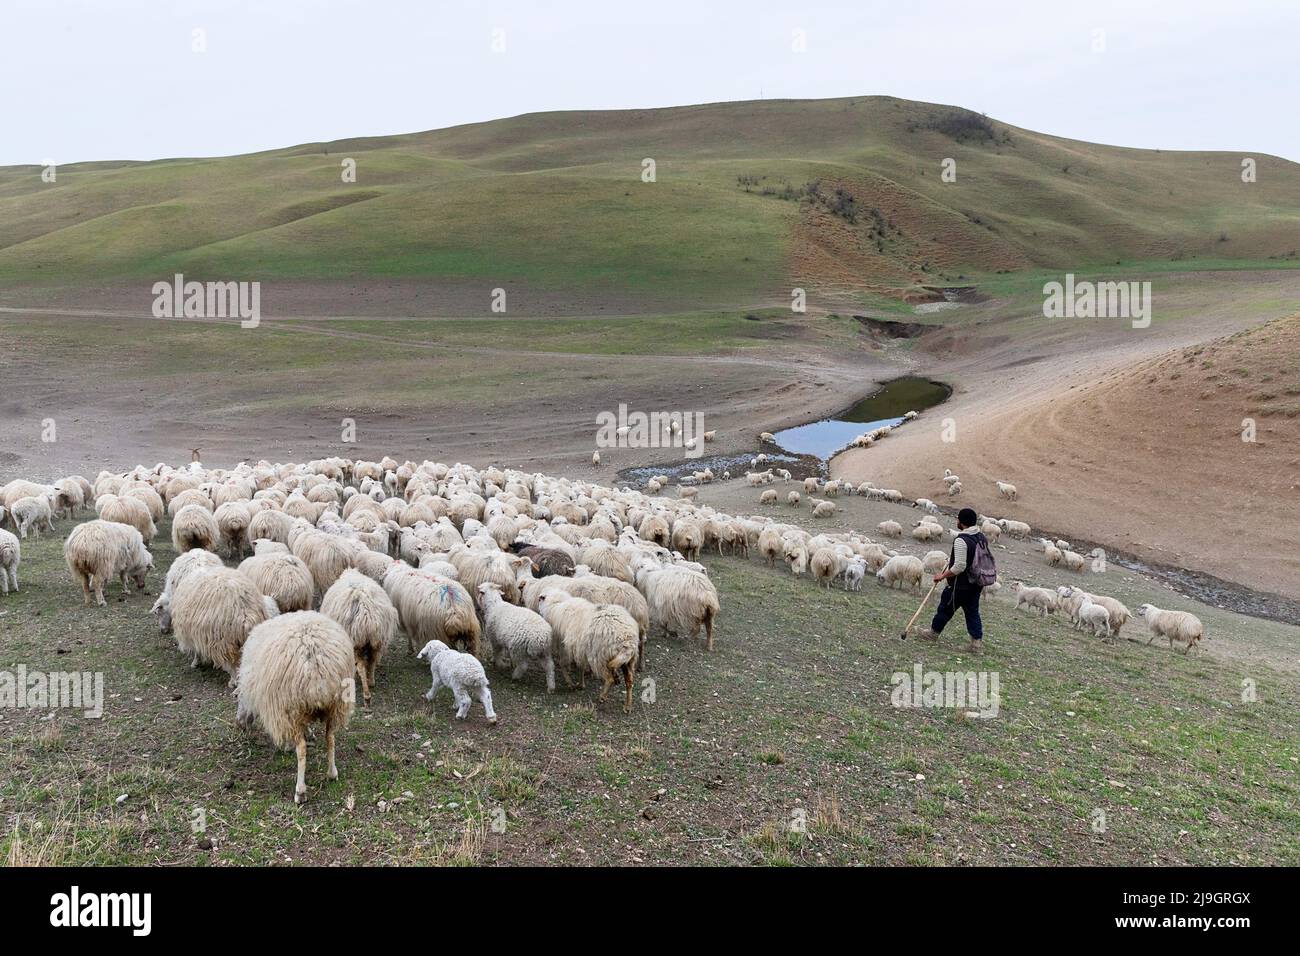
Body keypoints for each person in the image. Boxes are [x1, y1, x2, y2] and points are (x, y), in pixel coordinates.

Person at [918, 507, 986, 653]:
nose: (957, 521)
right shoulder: (981, 537)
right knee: (972, 612)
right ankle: (976, 643)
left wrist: (942, 576)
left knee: (945, 608)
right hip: (976, 583)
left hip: (960, 585)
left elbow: (960, 566)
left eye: (958, 519)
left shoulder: (961, 540)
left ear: (961, 522)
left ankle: (933, 633)